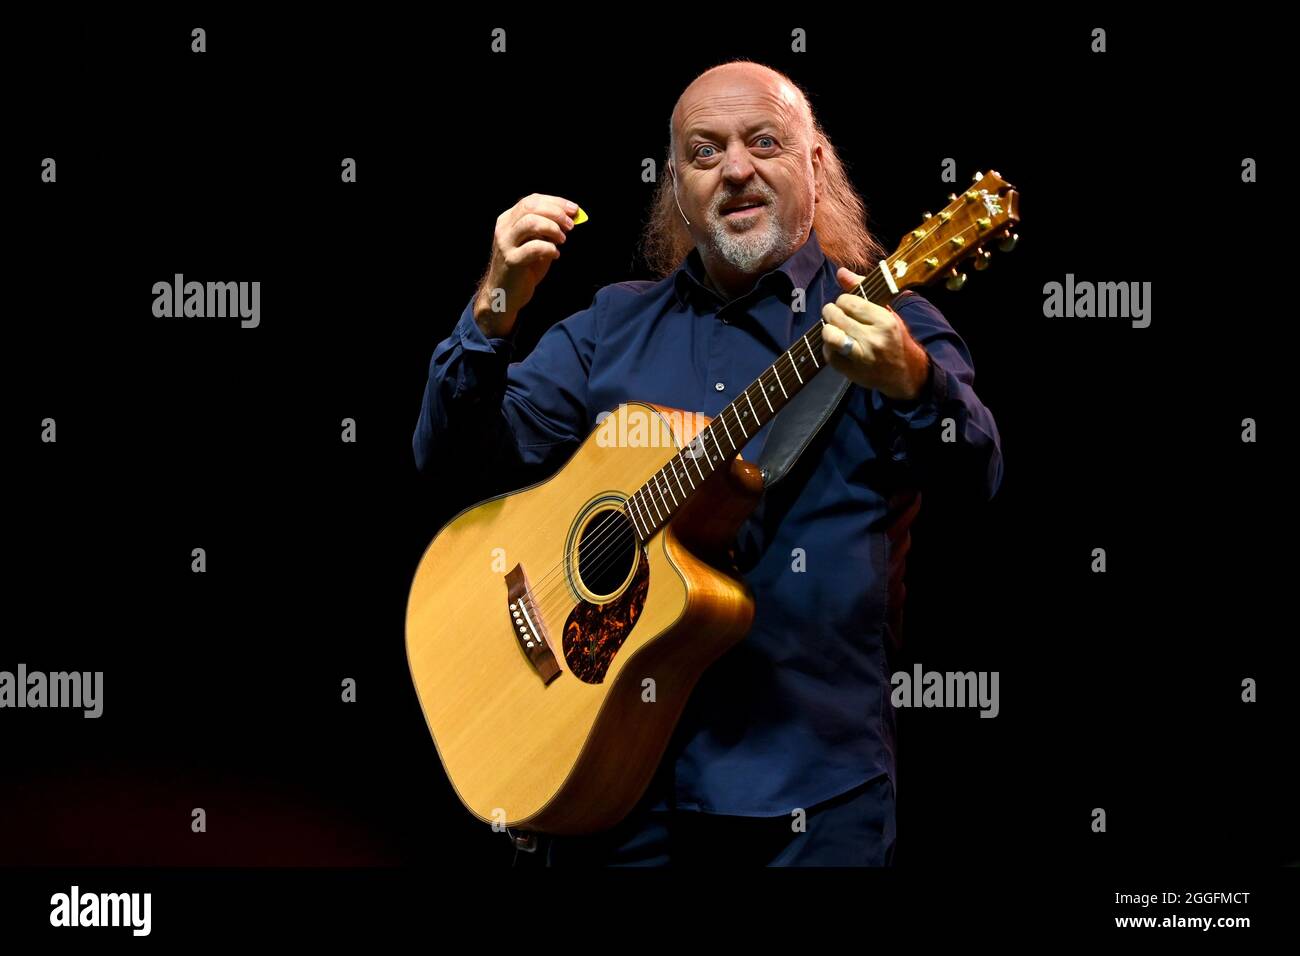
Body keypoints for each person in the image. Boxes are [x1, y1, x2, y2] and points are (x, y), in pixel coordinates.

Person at [413, 59, 1003, 866]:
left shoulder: (888, 324)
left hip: (811, 802)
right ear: (675, 185)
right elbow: (450, 460)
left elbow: (978, 481)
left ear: (815, 164)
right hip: (607, 792)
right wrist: (494, 304)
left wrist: (915, 382)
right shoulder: (607, 329)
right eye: (704, 151)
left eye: (765, 142)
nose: (735, 169)